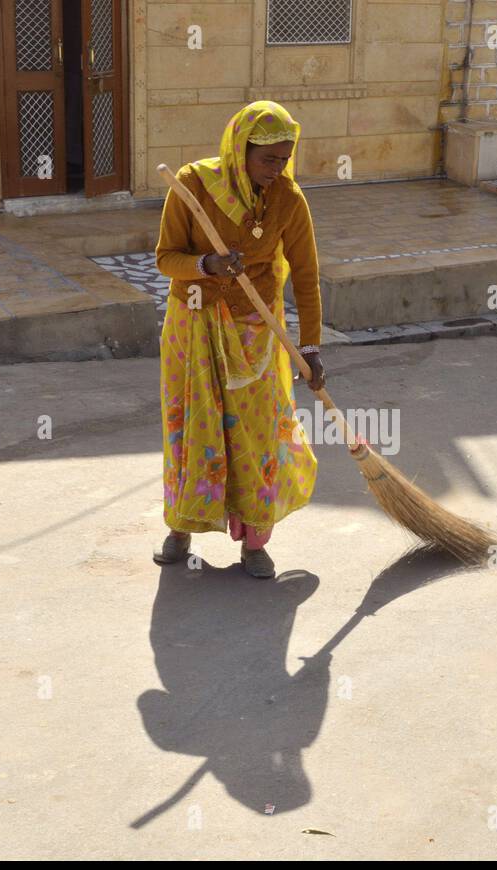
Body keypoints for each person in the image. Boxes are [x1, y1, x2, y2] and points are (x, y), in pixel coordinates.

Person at [153, 100, 327, 579]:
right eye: (269, 159)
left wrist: (310, 348)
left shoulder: (288, 200)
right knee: (191, 428)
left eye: (285, 159)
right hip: (193, 325)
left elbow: (307, 277)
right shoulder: (191, 186)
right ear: (239, 151)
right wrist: (205, 266)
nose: (278, 169)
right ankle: (181, 527)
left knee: (254, 435)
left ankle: (254, 540)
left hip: (255, 329)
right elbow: (166, 258)